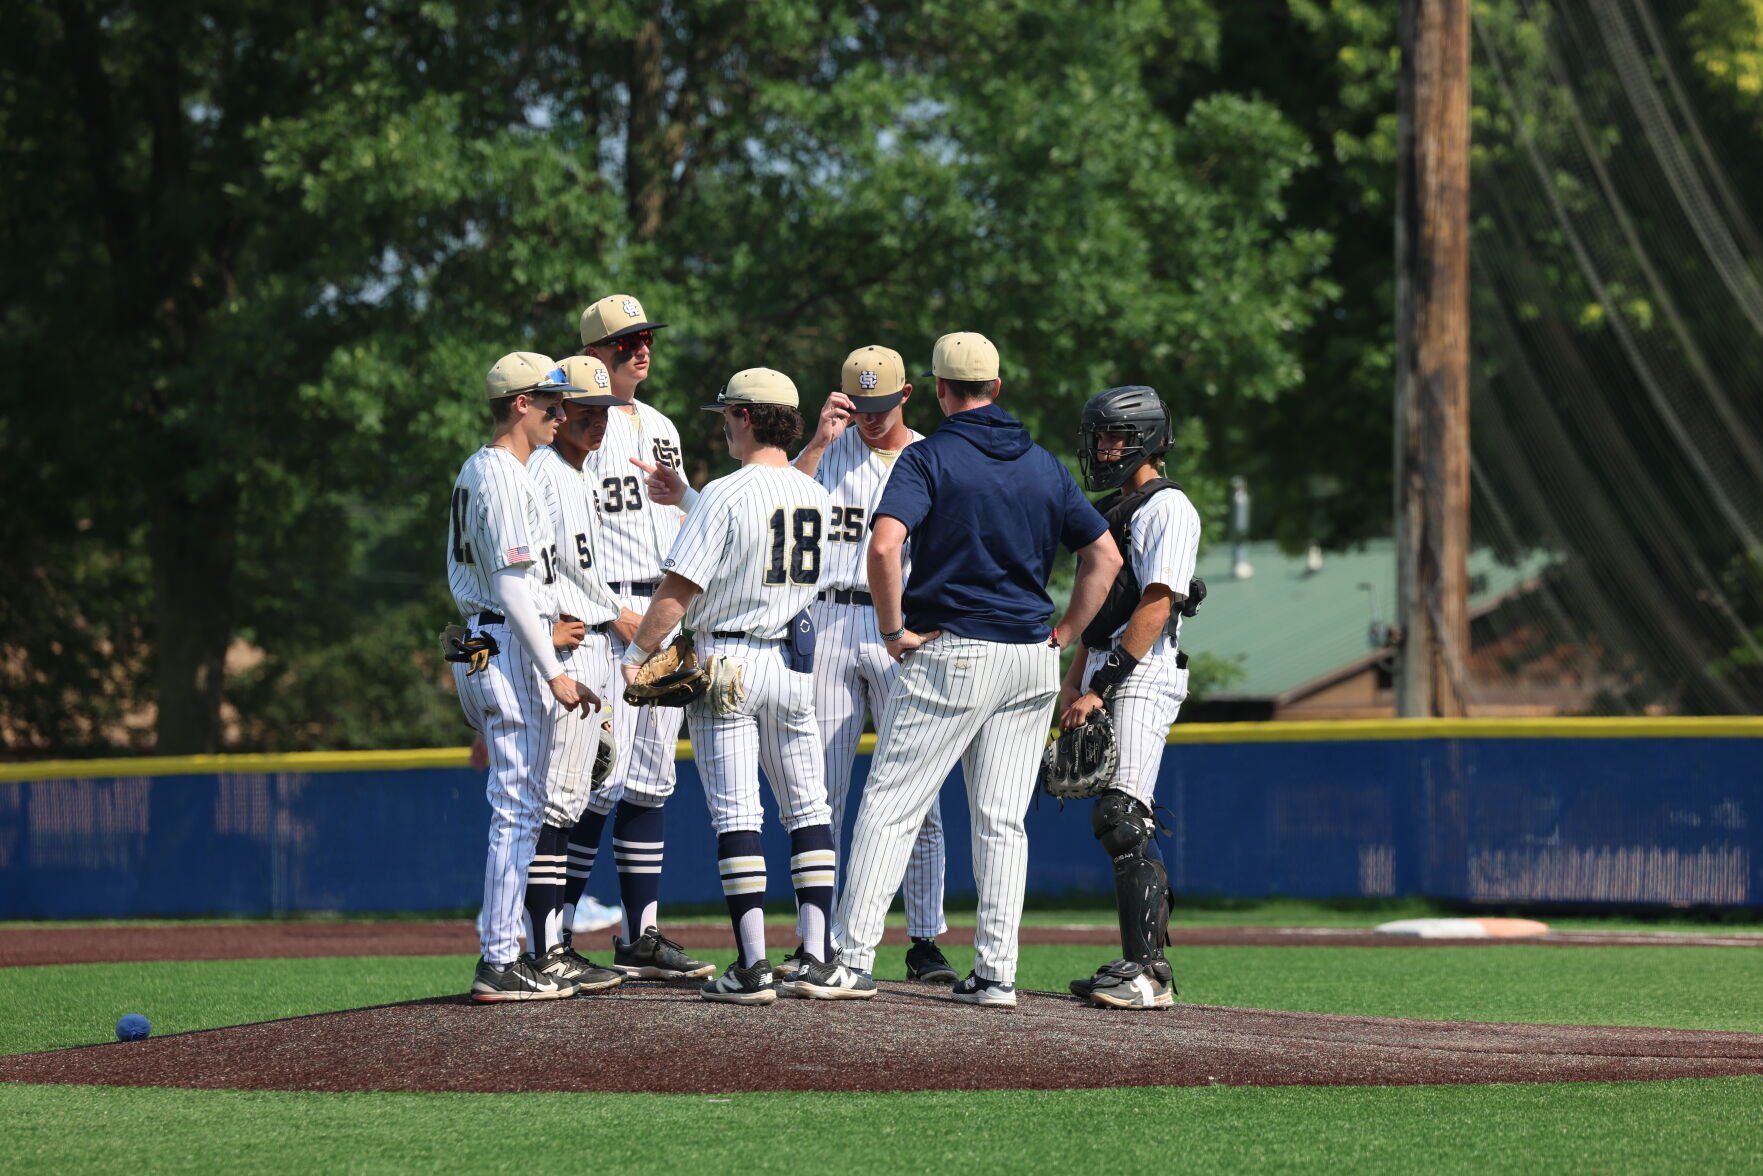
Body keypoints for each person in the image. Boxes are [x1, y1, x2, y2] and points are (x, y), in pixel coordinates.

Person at [830, 331, 1122, 1008]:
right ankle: (995, 974)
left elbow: (883, 547)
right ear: (996, 386)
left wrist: (892, 630)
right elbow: (1102, 556)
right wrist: (1067, 633)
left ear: (935, 388)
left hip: (952, 651)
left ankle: (848, 962)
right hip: (1030, 660)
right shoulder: (1044, 464)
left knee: (890, 806)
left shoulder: (928, 457)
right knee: (1000, 821)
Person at [621, 367, 863, 1005]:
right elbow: (763, 535)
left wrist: (637, 652)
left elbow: (677, 592)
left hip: (726, 663)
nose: (724, 422)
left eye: (729, 413)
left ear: (748, 417)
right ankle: (816, 958)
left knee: (738, 815)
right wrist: (686, 498)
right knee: (809, 809)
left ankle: (752, 967)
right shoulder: (816, 495)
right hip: (791, 665)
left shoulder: (727, 493)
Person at [781, 345, 953, 983]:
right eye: (861, 406)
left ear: (906, 396)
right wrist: (821, 441)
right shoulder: (831, 451)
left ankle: (925, 939)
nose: (872, 418)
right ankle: (816, 940)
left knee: (921, 794)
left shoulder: (931, 453)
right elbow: (782, 501)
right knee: (821, 790)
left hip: (902, 626)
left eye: (882, 406)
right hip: (828, 619)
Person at [566, 293, 713, 982]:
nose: (641, 349)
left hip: (662, 614)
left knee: (651, 784)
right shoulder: (577, 426)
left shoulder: (660, 425)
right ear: (594, 352)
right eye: (626, 342)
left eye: (646, 337)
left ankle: (640, 935)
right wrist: (605, 614)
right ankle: (556, 932)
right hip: (608, 618)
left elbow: (682, 524)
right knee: (594, 779)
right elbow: (567, 538)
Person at [446, 352, 602, 1001]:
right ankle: (499, 958)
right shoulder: (507, 477)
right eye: (550, 404)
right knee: (516, 808)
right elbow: (512, 587)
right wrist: (551, 666)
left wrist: (529, 632)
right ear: (520, 404)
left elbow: (484, 591)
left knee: (516, 803)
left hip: (478, 637)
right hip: (502, 636)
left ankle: (508, 952)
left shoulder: (472, 469)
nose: (560, 415)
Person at [1060, 386, 1201, 1010]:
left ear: (1147, 438)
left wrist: (1101, 685)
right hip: (1108, 664)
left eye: (1115, 435)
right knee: (1115, 817)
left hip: (1142, 670)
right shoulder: (1118, 508)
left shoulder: (1168, 507)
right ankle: (1137, 965)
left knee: (1123, 815)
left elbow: (1157, 601)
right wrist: (1074, 680)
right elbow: (1100, 608)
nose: (1103, 446)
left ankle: (1148, 973)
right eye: (1099, 435)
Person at [517, 354, 629, 994]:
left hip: (592, 641)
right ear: (555, 416)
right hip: (564, 651)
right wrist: (546, 625)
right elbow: (523, 570)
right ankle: (544, 948)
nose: (596, 423)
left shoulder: (575, 474)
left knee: (586, 789)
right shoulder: (543, 474)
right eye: (582, 412)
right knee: (555, 801)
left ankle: (551, 942)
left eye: (602, 411)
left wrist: (622, 618)